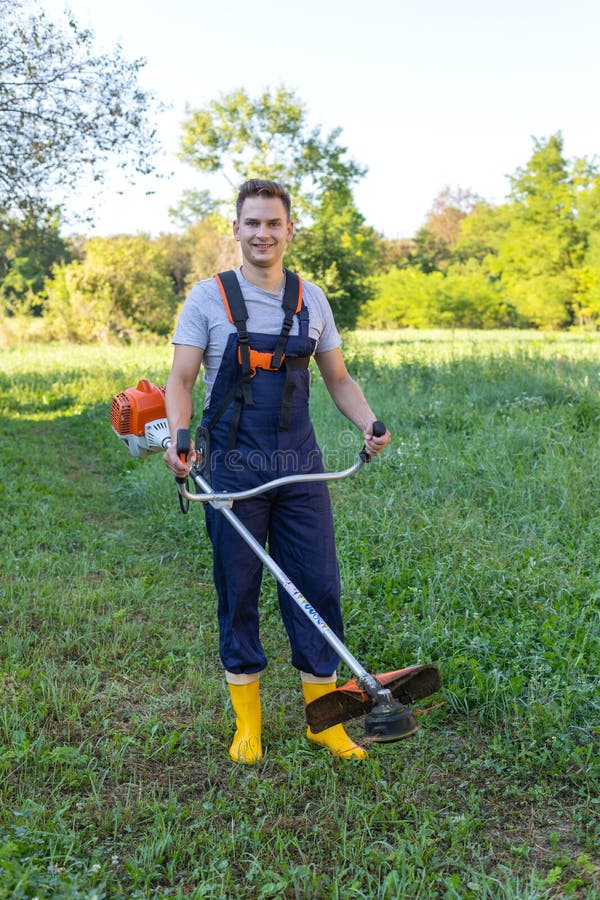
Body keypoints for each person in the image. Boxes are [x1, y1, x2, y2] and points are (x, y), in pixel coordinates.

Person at [163, 179, 391, 763]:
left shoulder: (312, 300)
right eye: (252, 223)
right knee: (239, 591)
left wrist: (368, 423)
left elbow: (339, 378)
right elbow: (181, 381)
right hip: (231, 467)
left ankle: (325, 723)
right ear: (236, 229)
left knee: (318, 588)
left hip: (299, 466)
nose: (262, 234)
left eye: (273, 224)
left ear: (289, 230)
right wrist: (181, 439)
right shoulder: (207, 298)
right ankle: (248, 728)